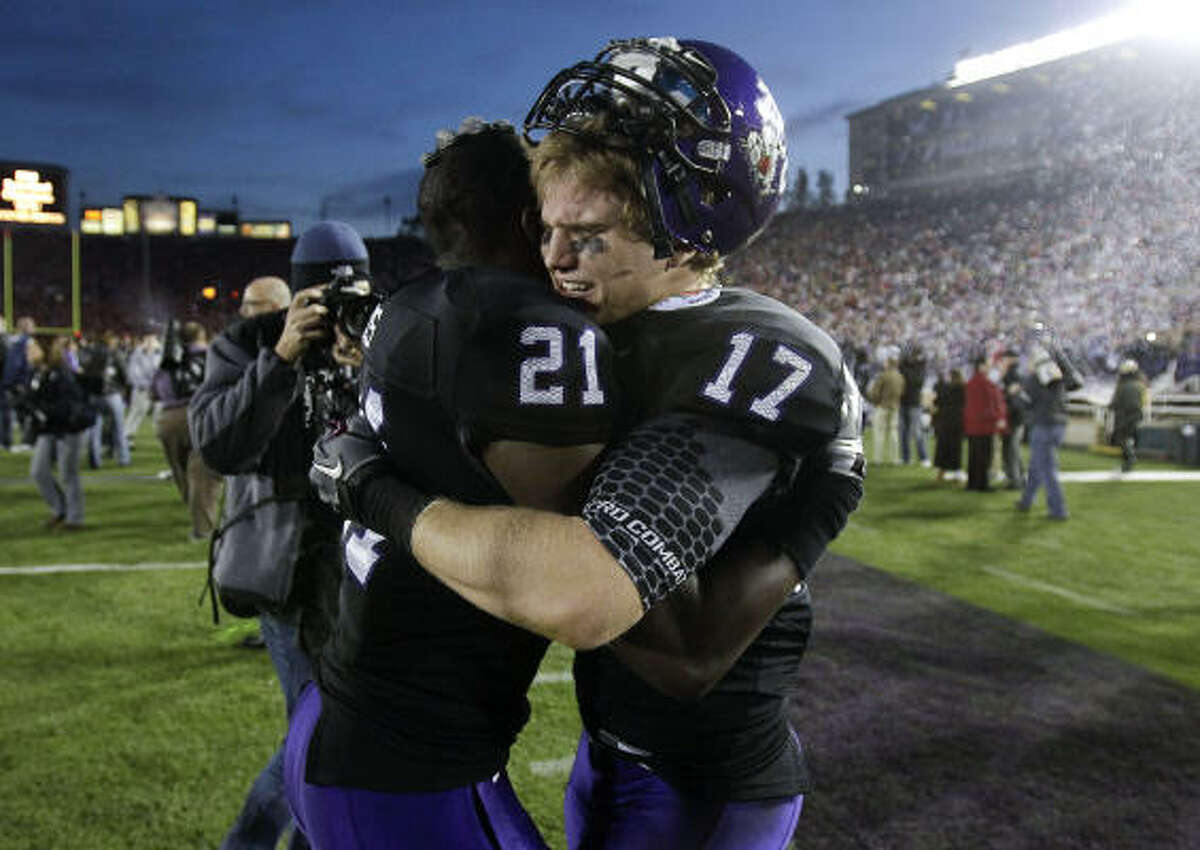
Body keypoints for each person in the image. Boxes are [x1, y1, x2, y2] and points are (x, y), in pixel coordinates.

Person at [311, 39, 863, 850]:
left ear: (685, 239)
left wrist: (374, 488)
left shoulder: (751, 356)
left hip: (699, 781)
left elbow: (671, 646)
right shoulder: (603, 328)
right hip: (610, 753)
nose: (555, 259)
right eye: (548, 227)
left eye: (592, 236)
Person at [191, 230, 368, 850]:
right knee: (317, 736)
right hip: (290, 572)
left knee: (339, 732)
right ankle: (250, 841)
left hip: (368, 571)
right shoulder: (248, 343)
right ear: (299, 292)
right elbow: (220, 446)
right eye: (327, 294)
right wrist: (284, 355)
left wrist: (373, 371)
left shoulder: (380, 336)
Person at [23, 336, 94, 529]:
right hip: (51, 428)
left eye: (32, 348)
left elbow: (70, 405)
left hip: (71, 429)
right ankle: (60, 509)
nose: (27, 352)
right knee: (38, 471)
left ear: (45, 350)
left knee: (68, 473)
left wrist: (44, 410)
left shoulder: (62, 373)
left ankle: (75, 519)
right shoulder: (38, 373)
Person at [1015, 342, 1083, 519]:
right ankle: (1026, 500)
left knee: (1047, 469)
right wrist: (1062, 360)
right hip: (1059, 426)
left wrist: (1015, 393)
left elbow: (1022, 403)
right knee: (1037, 465)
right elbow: (1077, 382)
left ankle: (1058, 510)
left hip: (1042, 426)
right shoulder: (1059, 377)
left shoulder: (1033, 379)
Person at [80, 330, 132, 467]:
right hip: (112, 395)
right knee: (118, 428)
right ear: (111, 341)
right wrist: (123, 390)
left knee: (94, 430)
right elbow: (125, 375)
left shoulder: (90, 354)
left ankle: (95, 460)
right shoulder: (115, 354)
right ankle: (123, 458)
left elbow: (84, 374)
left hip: (94, 395)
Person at [963, 355, 1005, 492]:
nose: (989, 367)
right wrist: (998, 417)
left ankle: (972, 483)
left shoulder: (970, 383)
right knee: (984, 456)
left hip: (972, 425)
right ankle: (982, 484)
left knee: (973, 456)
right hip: (984, 426)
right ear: (981, 367)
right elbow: (991, 405)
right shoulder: (986, 384)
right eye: (987, 365)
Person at [1, 316, 37, 451]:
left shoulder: (12, 341)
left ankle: (7, 441)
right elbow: (19, 364)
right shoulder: (24, 342)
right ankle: (25, 441)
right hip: (20, 382)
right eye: (31, 325)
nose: (34, 328)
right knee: (25, 411)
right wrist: (21, 382)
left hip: (10, 381)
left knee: (9, 412)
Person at [123, 332, 161, 443]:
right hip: (142, 389)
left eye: (152, 338)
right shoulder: (137, 353)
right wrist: (147, 385)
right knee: (137, 412)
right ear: (144, 339)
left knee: (160, 413)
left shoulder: (160, 352)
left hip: (158, 389)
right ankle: (127, 437)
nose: (150, 341)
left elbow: (163, 371)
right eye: (147, 339)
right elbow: (133, 373)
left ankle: (161, 436)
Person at [1110, 359, 1146, 472]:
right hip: (1137, 414)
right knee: (1130, 438)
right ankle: (1128, 462)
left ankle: (1129, 458)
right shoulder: (1140, 385)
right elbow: (1143, 400)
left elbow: (1115, 403)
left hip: (1124, 415)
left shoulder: (1122, 386)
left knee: (1122, 439)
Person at [867, 356, 904, 465]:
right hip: (895, 406)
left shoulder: (883, 376)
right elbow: (902, 391)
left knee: (879, 433)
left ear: (888, 364)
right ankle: (895, 459)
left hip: (882, 406)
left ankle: (878, 459)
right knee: (894, 433)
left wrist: (874, 401)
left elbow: (875, 392)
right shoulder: (900, 377)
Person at [932, 368, 965, 484]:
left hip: (945, 421)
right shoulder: (964, 388)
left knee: (943, 448)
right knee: (956, 448)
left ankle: (940, 474)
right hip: (958, 421)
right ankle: (957, 474)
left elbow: (936, 402)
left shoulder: (945, 388)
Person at [898, 342, 929, 466]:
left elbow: (916, 382)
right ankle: (906, 458)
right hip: (904, 401)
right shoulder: (906, 366)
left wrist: (905, 368)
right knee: (903, 432)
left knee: (917, 432)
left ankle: (924, 458)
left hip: (914, 403)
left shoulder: (920, 367)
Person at [999, 349, 1025, 489]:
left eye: (1005, 358)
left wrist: (1005, 396)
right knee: (1013, 449)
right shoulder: (1016, 374)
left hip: (1013, 417)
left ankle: (1015, 481)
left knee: (1011, 450)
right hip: (1017, 417)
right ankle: (1019, 477)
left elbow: (1011, 396)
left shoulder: (1012, 375)